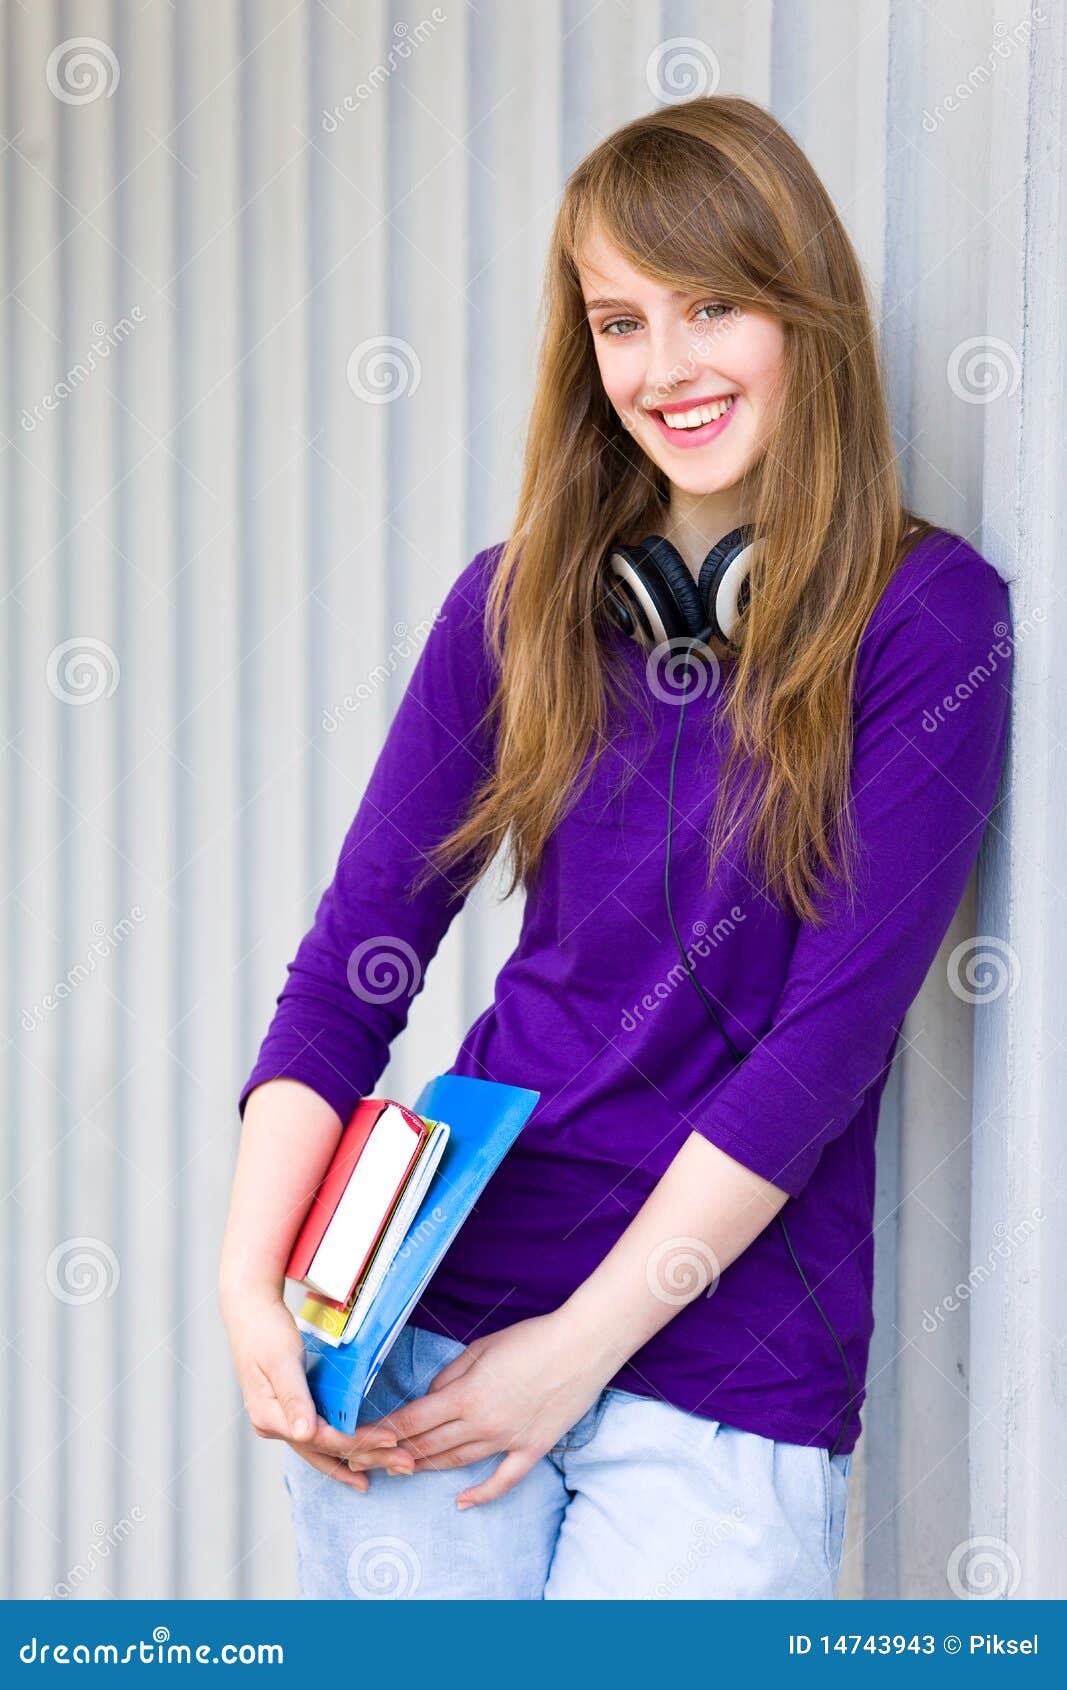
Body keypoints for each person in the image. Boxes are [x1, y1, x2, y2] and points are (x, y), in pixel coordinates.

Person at [219, 94, 1014, 1600]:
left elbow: (824, 1047)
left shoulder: (928, 623)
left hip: (719, 1366)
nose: (668, 367)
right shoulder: (513, 607)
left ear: (806, 316)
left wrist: (574, 1353)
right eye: (622, 320)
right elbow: (348, 969)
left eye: (716, 305)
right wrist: (249, 1280)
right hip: (427, 1330)